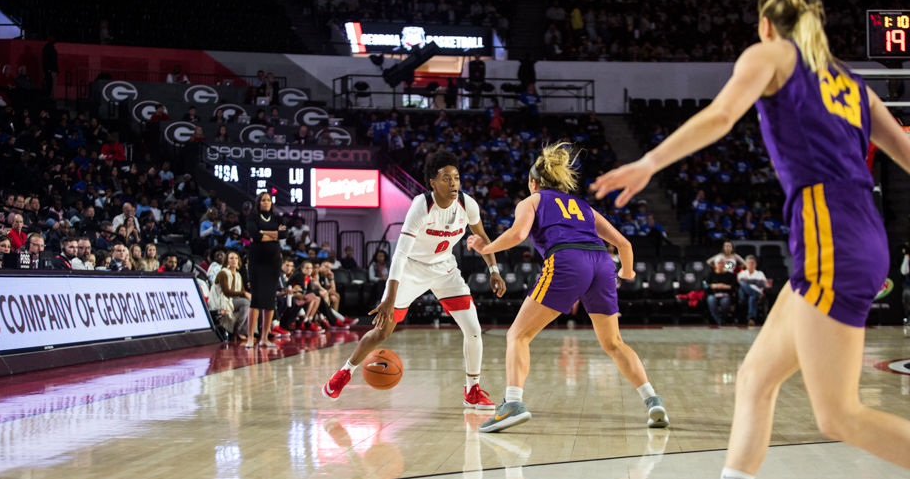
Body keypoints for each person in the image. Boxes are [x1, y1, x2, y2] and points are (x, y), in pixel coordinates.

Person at [592, 0, 910, 479]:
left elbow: (720, 116)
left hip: (830, 232)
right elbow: (908, 154)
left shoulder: (771, 54)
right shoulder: (853, 84)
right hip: (859, 232)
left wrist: (650, 161)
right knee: (756, 378)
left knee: (839, 414)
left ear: (767, 24)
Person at [466, 142, 668, 433]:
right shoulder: (583, 207)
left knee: (518, 335)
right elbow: (624, 244)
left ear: (533, 182)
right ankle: (653, 401)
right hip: (601, 263)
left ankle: (512, 403)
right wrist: (627, 271)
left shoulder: (532, 201)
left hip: (567, 259)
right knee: (613, 343)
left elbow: (518, 234)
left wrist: (487, 246)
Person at [322, 150, 507, 410]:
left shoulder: (468, 204)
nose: (453, 183)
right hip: (411, 269)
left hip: (444, 269)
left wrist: (494, 270)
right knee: (382, 331)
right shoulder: (421, 206)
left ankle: (472, 390)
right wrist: (389, 297)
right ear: (433, 182)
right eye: (446, 178)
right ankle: (344, 372)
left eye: (456, 177)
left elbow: (483, 238)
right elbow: (400, 255)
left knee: (473, 329)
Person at [248, 192, 289, 345]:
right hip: (257, 263)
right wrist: (274, 234)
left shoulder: (277, 218)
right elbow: (253, 234)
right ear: (258, 202)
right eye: (263, 200)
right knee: (256, 299)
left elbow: (284, 234)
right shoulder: (253, 218)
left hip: (273, 263)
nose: (266, 202)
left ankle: (264, 338)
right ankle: (251, 337)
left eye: (268, 200)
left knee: (270, 300)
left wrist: (263, 232)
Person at [209, 250, 253, 346]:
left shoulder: (238, 275)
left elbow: (240, 291)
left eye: (236, 258)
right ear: (227, 261)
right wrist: (245, 293)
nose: (234, 260)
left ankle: (249, 331)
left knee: (252, 302)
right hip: (221, 300)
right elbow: (226, 292)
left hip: (232, 299)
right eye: (231, 258)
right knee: (245, 303)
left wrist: (247, 294)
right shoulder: (223, 273)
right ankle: (237, 330)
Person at [737, 255, 768, 325]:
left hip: (757, 292)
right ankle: (751, 318)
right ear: (745, 264)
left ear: (755, 264)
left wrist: (747, 280)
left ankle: (751, 319)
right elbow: (741, 282)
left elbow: (762, 284)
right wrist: (755, 281)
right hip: (745, 294)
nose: (750, 264)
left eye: (752, 263)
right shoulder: (741, 273)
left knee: (751, 297)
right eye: (749, 263)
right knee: (743, 287)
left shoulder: (760, 273)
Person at [706, 258, 737, 325]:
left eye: (722, 263)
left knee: (725, 302)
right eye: (719, 263)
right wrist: (714, 286)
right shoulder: (711, 274)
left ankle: (723, 319)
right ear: (715, 265)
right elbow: (706, 285)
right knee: (711, 300)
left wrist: (725, 286)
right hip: (713, 294)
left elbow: (734, 286)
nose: (721, 265)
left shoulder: (730, 275)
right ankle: (719, 320)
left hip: (725, 294)